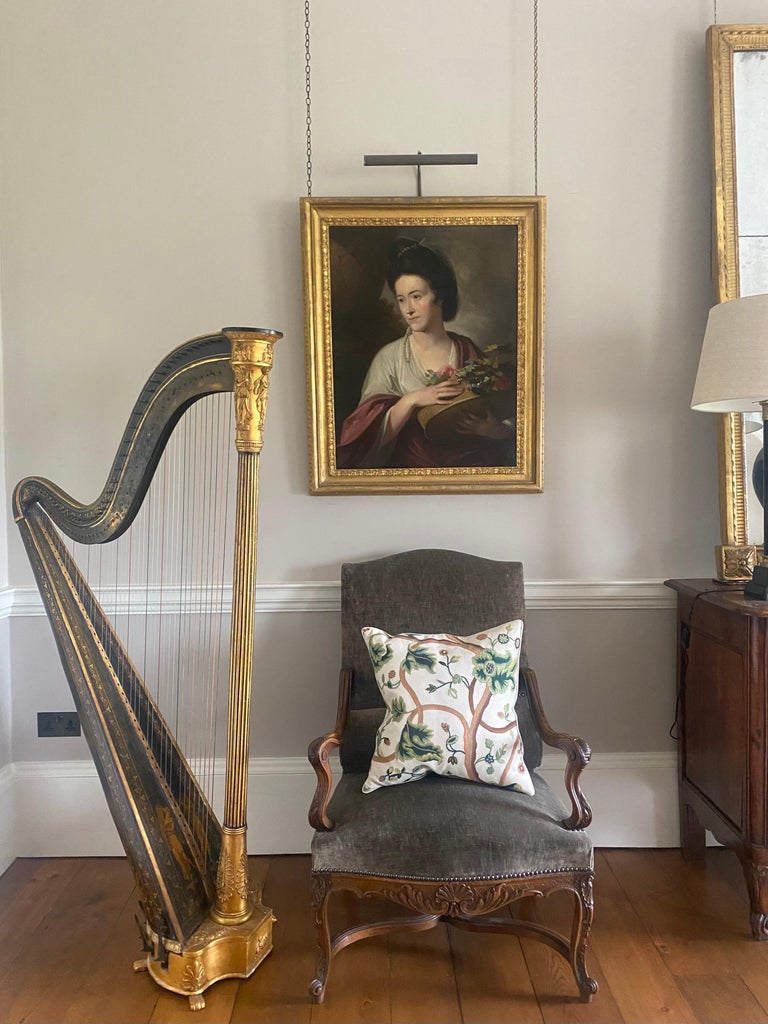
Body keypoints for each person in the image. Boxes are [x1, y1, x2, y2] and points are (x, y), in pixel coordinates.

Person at [336, 237, 514, 469]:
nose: (408, 309)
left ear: (438, 296)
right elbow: (365, 435)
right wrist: (413, 399)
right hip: (408, 476)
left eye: (416, 297)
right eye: (401, 299)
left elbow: (505, 408)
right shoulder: (388, 358)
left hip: (468, 477)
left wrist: (495, 431)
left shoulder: (466, 349)